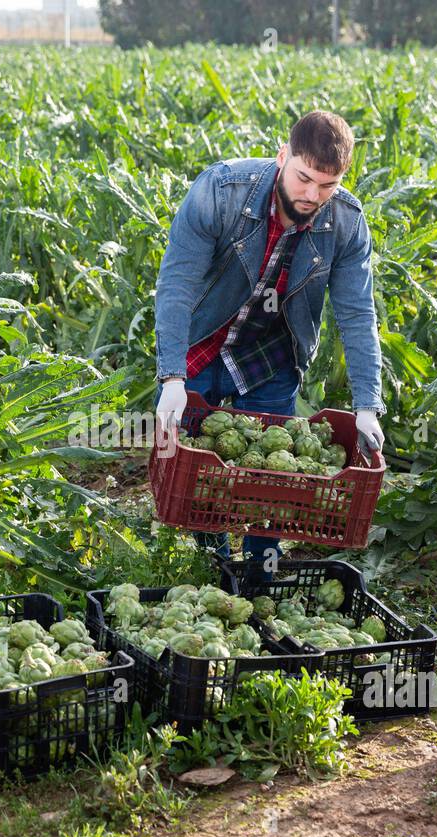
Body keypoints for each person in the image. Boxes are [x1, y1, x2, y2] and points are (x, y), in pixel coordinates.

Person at [153, 110, 385, 565]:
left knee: (272, 479)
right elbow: (177, 285)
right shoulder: (220, 191)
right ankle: (212, 564)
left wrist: (366, 406)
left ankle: (261, 569)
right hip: (204, 339)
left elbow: (358, 314)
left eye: (328, 185)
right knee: (200, 469)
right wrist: (172, 378)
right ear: (283, 156)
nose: (313, 195)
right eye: (303, 179)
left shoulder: (346, 222)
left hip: (270, 353)